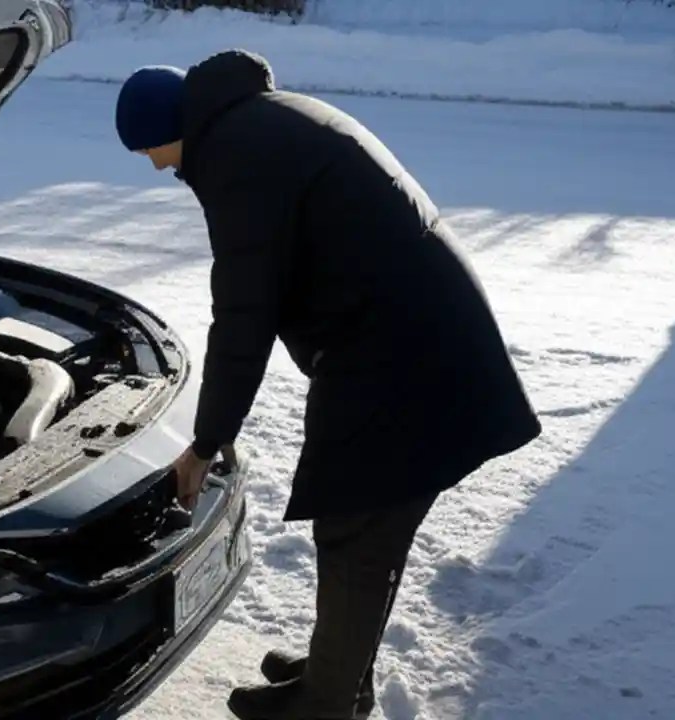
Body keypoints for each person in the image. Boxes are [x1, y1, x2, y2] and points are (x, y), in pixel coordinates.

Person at [113, 50, 542, 720]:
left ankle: (327, 703)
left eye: (150, 150)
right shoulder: (260, 119)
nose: (157, 167)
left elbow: (244, 316)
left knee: (358, 526)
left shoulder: (235, 158)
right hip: (413, 335)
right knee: (367, 526)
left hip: (403, 355)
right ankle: (338, 674)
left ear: (171, 128)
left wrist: (206, 442)